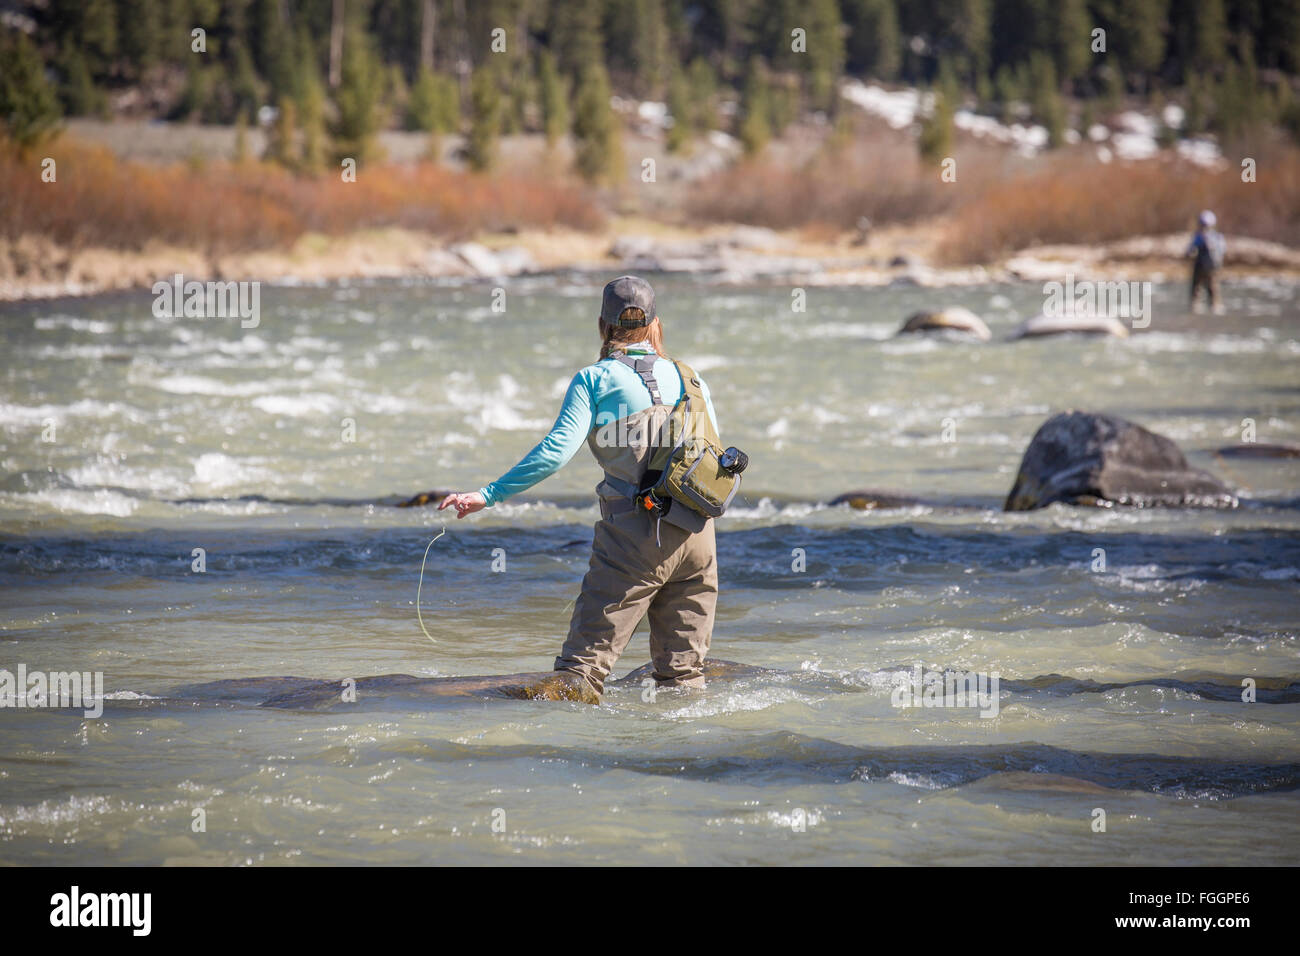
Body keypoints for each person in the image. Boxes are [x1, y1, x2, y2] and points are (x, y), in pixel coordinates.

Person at [439, 276, 722, 700]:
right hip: (700, 538)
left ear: (602, 325)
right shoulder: (691, 378)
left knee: (579, 675)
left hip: (635, 537)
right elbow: (712, 454)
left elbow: (555, 453)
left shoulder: (594, 379)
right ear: (655, 323)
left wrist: (489, 494)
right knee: (683, 680)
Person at [1186, 209, 1226, 313]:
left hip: (1200, 267)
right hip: (1214, 268)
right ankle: (1215, 306)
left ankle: (1195, 308)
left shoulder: (1199, 236)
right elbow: (1222, 251)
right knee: (1213, 289)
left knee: (1196, 289)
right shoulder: (1218, 237)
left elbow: (1190, 250)